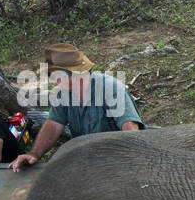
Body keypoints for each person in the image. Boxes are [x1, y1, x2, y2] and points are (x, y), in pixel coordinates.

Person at [9, 43, 144, 172]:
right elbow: (53, 124)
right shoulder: (63, 94)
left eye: (55, 75)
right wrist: (34, 154)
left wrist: (125, 163)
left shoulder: (110, 88)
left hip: (116, 158)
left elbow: (130, 129)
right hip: (88, 160)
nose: (52, 80)